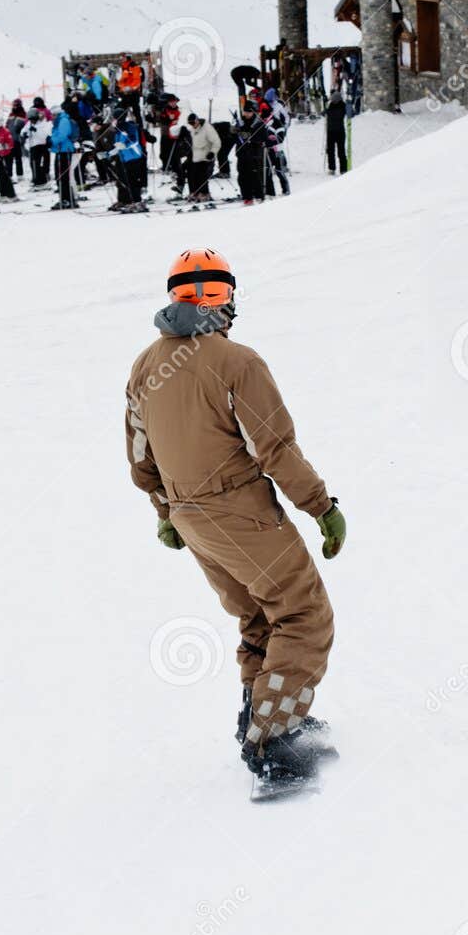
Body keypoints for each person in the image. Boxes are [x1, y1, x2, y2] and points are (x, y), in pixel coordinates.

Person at [125, 248, 345, 789]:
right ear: (223, 299)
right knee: (303, 615)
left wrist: (165, 512)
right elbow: (276, 449)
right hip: (238, 510)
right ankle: (273, 742)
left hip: (191, 514)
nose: (219, 304)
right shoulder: (237, 362)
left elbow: (139, 453)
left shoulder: (146, 364)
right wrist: (322, 507)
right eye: (219, 295)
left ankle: (265, 714)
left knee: (259, 618)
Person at [235, 101, 274, 204]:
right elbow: (235, 134)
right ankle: (247, 197)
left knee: (255, 176)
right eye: (245, 112)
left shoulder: (259, 123)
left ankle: (259, 196)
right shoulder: (240, 121)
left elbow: (263, 138)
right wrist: (235, 130)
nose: (246, 114)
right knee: (242, 176)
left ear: (254, 112)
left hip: (254, 154)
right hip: (242, 153)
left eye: (249, 112)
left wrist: (250, 137)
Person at [111, 114, 146, 210]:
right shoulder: (117, 130)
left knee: (133, 180)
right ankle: (125, 201)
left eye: (114, 118)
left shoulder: (129, 127)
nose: (113, 120)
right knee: (124, 180)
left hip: (133, 157)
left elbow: (134, 141)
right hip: (124, 158)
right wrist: (108, 154)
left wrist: (125, 145)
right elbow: (117, 146)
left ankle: (137, 201)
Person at [50, 101, 80, 210]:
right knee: (60, 176)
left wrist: (52, 141)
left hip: (65, 150)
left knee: (63, 176)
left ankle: (68, 199)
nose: (51, 116)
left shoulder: (63, 120)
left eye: (52, 114)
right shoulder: (58, 121)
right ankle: (65, 198)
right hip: (60, 150)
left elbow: (62, 135)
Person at [185, 114, 218, 202]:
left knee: (202, 173)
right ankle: (194, 192)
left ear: (197, 120)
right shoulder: (192, 129)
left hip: (206, 153)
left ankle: (204, 193)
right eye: (190, 123)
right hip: (195, 153)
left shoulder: (207, 128)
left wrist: (212, 152)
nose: (192, 125)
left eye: (193, 122)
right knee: (191, 172)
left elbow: (216, 141)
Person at [23, 108, 51, 186]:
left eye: (33, 120)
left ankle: (42, 180)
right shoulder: (30, 123)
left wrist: (36, 130)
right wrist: (24, 134)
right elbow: (25, 130)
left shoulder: (43, 123)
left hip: (41, 146)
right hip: (33, 146)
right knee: (33, 163)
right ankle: (36, 178)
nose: (32, 121)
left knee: (41, 164)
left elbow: (45, 135)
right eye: (30, 120)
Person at [0, 119, 17, 200]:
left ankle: (10, 194)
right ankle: (2, 193)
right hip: (0, 155)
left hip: (7, 154)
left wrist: (4, 146)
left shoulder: (5, 131)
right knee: (0, 173)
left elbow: (11, 143)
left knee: (6, 174)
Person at [326, 87, 348, 175]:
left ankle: (343, 169)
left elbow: (337, 115)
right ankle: (332, 168)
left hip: (339, 131)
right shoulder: (330, 105)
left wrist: (327, 111)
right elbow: (326, 113)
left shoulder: (342, 106)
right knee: (330, 151)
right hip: (330, 131)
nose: (333, 100)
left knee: (341, 151)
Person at [6, 100, 28, 179]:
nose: (14, 107)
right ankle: (10, 175)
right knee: (9, 159)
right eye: (13, 105)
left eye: (16, 105)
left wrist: (21, 131)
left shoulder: (23, 115)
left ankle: (20, 175)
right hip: (10, 139)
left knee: (18, 158)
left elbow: (26, 126)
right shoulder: (11, 114)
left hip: (18, 139)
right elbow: (7, 125)